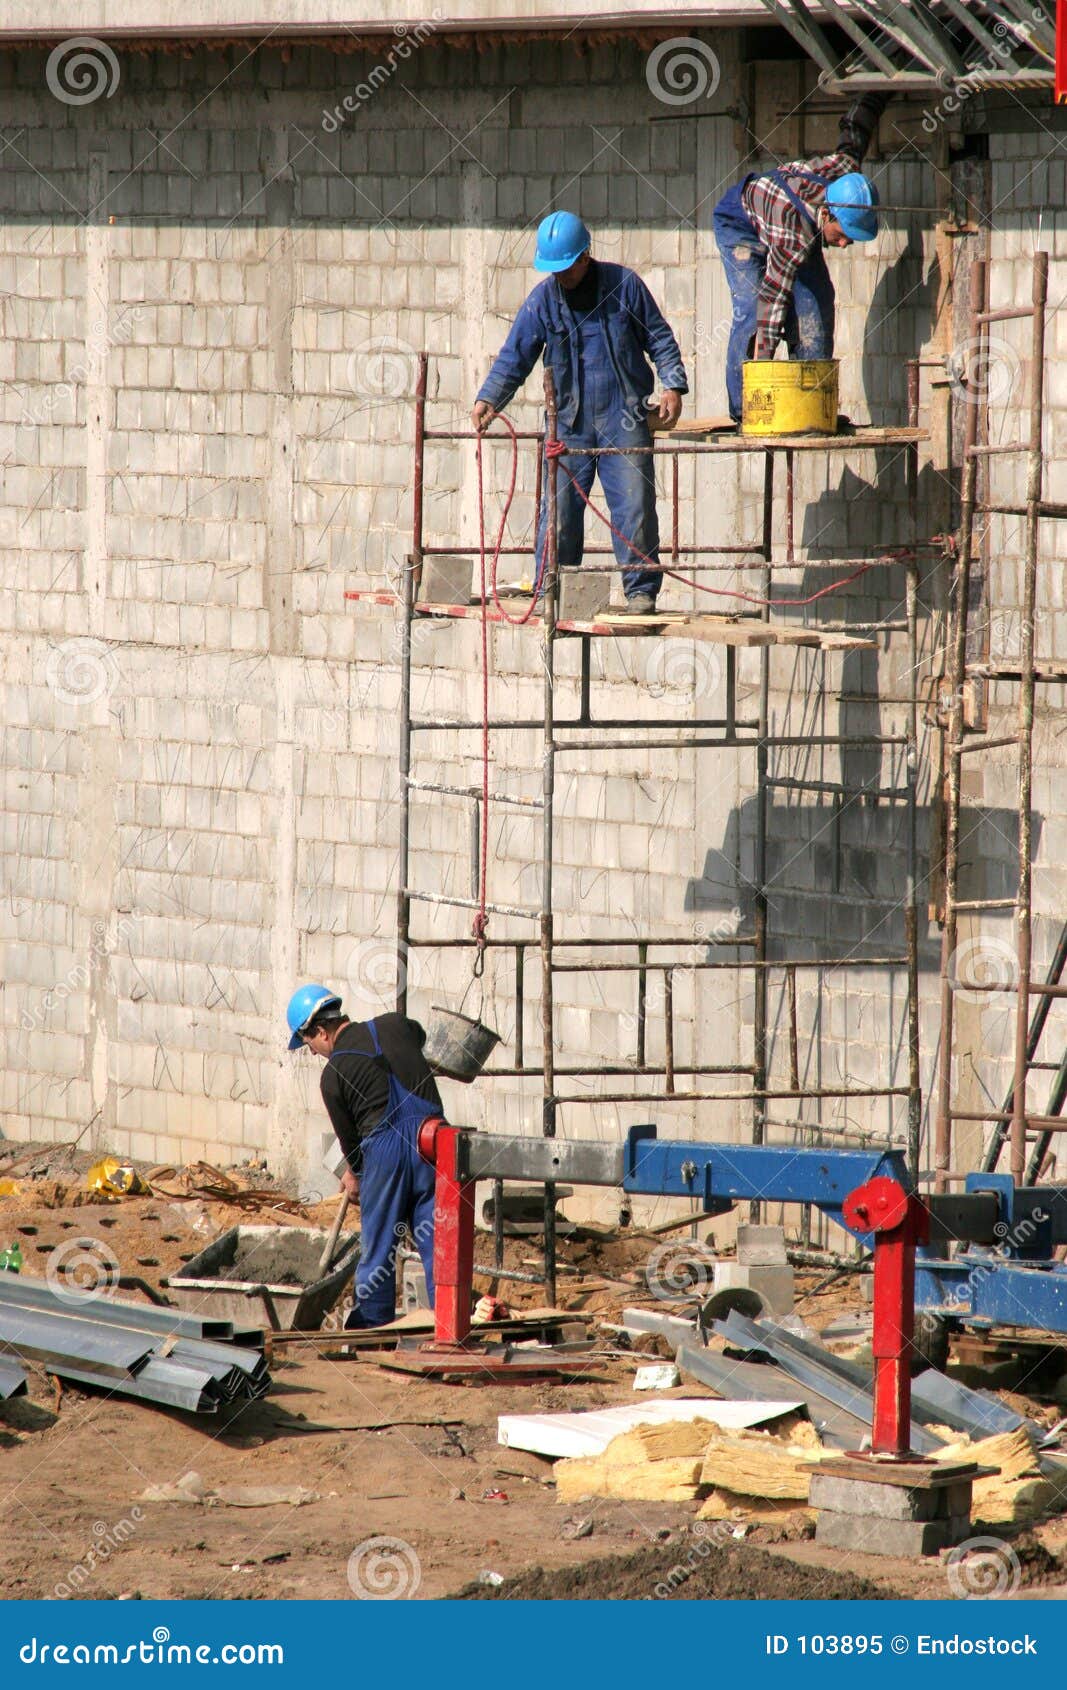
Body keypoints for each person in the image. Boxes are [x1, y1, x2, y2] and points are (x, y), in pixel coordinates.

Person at [471, 211, 688, 616]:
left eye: (567, 267)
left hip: (623, 418)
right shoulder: (542, 301)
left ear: (585, 256)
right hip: (568, 424)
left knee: (635, 505)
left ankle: (640, 590)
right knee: (558, 511)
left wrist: (672, 385)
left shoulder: (625, 288)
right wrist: (490, 398)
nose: (561, 276)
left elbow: (659, 338)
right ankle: (551, 588)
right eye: (554, 269)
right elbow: (514, 358)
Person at [712, 94, 888, 423]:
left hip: (793, 221)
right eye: (845, 234)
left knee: (817, 302)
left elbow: (853, 133)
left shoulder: (845, 175)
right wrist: (763, 376)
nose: (846, 243)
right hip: (741, 225)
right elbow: (772, 301)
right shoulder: (793, 238)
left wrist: (874, 94)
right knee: (752, 309)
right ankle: (746, 407)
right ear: (827, 214)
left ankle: (812, 405)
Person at [286, 983, 440, 1330]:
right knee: (438, 1239)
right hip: (433, 1140)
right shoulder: (396, 1024)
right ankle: (450, 1320)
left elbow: (351, 1146)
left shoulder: (332, 1077)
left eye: (308, 1043)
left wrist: (356, 1178)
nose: (311, 1053)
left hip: (386, 1150)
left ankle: (371, 1325)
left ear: (321, 1032)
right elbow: (418, 1035)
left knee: (379, 1243)